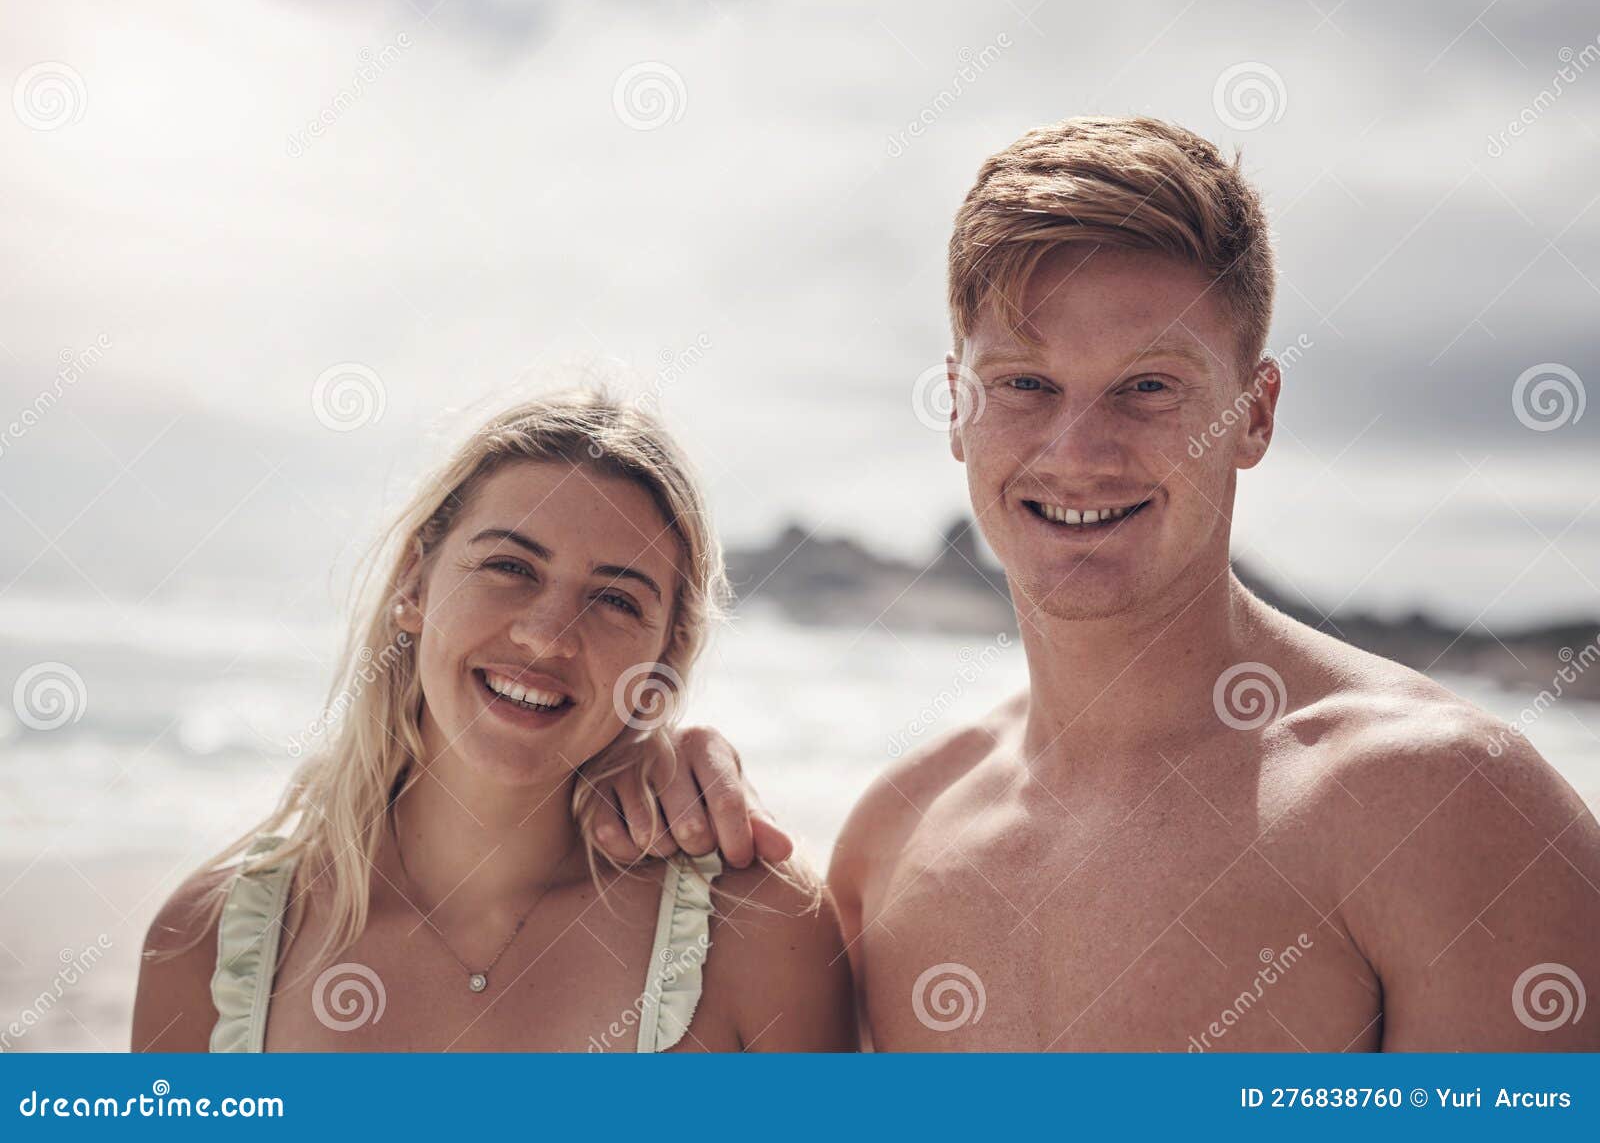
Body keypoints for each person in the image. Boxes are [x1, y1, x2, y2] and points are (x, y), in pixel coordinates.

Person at [597, 116, 1600, 1051]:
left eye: (1149, 387)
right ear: (955, 404)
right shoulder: (890, 843)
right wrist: (601, 788)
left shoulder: (1444, 808)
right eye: (1026, 384)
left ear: (1253, 414)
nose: (1079, 452)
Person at [132, 391, 853, 1052]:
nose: (548, 636)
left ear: (664, 662)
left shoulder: (756, 930)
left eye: (616, 600)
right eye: (511, 566)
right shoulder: (207, 943)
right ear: (415, 585)